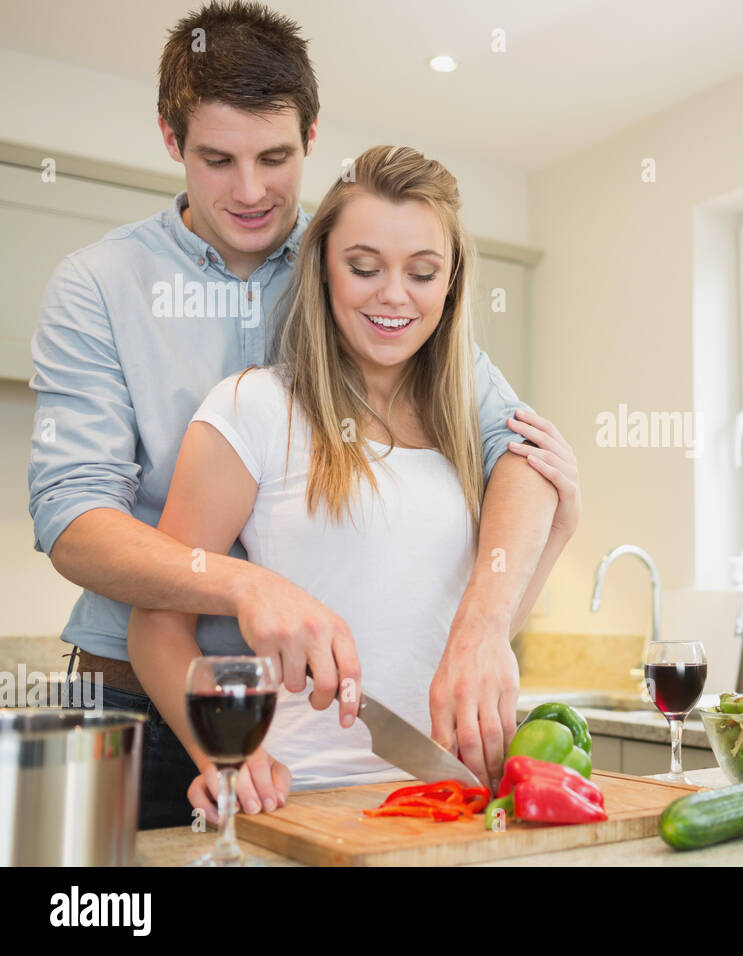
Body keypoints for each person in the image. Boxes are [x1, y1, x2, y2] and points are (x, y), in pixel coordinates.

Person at [27, 0, 578, 827]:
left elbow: (518, 452)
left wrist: (485, 626)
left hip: (291, 721)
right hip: (135, 691)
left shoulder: (355, 267)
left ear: (312, 138)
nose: (249, 191)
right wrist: (248, 585)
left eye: (275, 157)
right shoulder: (99, 285)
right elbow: (71, 516)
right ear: (172, 141)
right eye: (217, 159)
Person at [128, 144, 572, 813]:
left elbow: (474, 628)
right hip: (301, 806)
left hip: (449, 804)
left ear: (451, 285)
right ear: (324, 268)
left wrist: (559, 531)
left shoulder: (466, 430)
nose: (394, 295)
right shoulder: (252, 408)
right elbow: (157, 620)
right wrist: (224, 753)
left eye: (423, 273)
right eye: (364, 267)